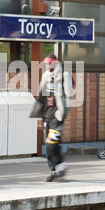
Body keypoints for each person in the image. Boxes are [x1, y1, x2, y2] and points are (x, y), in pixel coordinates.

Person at [38, 54, 73, 182]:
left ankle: (60, 167)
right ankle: (56, 170)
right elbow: (41, 97)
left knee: (52, 144)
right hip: (46, 116)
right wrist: (40, 116)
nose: (47, 65)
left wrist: (62, 115)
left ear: (55, 63)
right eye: (45, 63)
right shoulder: (45, 76)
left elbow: (69, 98)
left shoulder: (64, 76)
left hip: (56, 116)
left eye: (49, 63)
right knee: (49, 145)